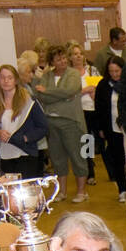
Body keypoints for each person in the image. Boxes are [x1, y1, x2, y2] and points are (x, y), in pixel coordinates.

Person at [36, 45, 89, 204]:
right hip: (51, 122)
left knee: (78, 156)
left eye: (64, 58)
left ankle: (82, 191)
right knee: (57, 158)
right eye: (58, 59)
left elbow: (70, 91)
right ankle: (62, 191)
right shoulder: (47, 76)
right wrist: (57, 95)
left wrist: (47, 91)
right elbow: (41, 96)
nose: (63, 61)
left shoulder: (72, 74)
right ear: (52, 61)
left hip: (71, 121)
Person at [0, 64, 48, 180]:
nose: (6, 81)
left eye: (9, 78)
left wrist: (26, 138)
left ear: (16, 80)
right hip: (4, 155)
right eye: (2, 77)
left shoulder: (29, 102)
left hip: (25, 153)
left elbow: (43, 127)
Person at [94, 55, 126, 203]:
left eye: (117, 71)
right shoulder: (103, 85)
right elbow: (99, 108)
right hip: (112, 128)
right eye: (111, 71)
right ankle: (122, 189)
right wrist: (100, 128)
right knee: (118, 159)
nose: (115, 74)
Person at [69, 44, 101, 185]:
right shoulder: (69, 74)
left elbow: (100, 86)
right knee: (86, 141)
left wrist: (95, 92)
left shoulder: (92, 70)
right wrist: (84, 90)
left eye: (80, 53)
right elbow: (68, 94)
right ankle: (89, 172)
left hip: (95, 109)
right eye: (75, 54)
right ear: (70, 57)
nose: (78, 56)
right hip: (79, 112)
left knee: (100, 140)